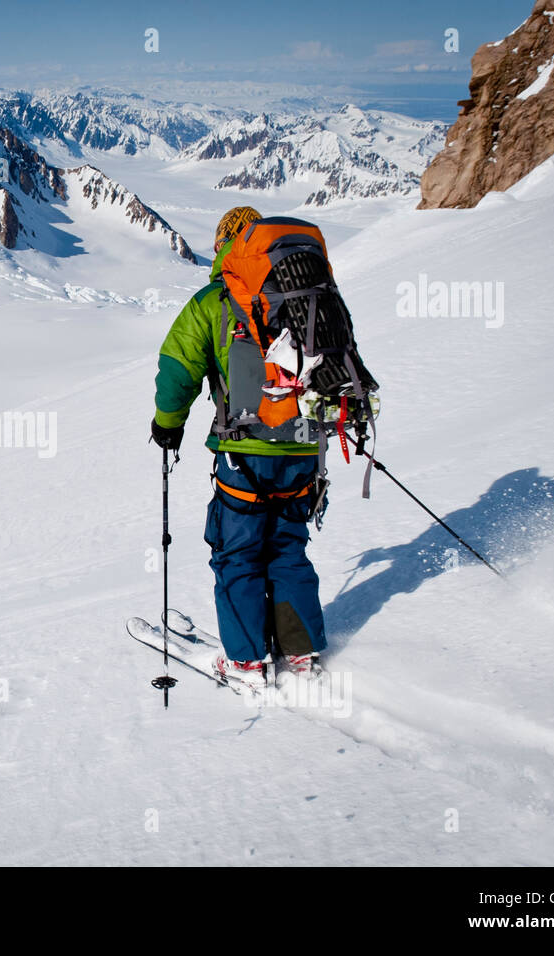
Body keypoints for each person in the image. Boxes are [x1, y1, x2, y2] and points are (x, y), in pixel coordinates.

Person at [149, 206, 326, 687]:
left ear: (226, 242)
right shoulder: (305, 292)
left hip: (245, 452)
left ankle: (248, 661)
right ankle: (300, 652)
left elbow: (178, 371)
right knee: (288, 548)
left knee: (238, 552)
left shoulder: (215, 300)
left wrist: (168, 425)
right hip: (306, 447)